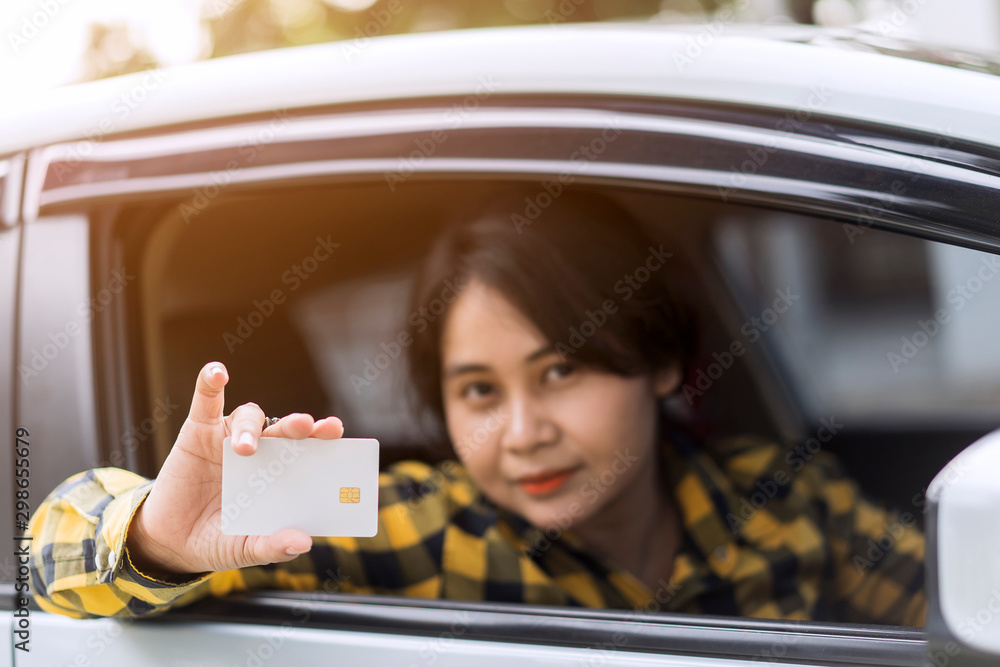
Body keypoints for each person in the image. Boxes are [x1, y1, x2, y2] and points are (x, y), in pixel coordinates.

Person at [25, 188, 926, 625]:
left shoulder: (779, 498)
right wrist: (153, 536)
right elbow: (50, 544)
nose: (524, 433)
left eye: (563, 371)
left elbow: (952, 601)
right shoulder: (410, 512)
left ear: (660, 363)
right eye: (479, 392)